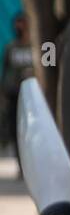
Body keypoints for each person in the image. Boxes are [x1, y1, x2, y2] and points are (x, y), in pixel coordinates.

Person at [2, 13, 35, 155]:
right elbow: (6, 71)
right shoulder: (11, 47)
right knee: (16, 128)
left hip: (34, 95)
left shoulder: (43, 45)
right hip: (14, 94)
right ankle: (20, 161)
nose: (19, 27)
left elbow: (50, 68)